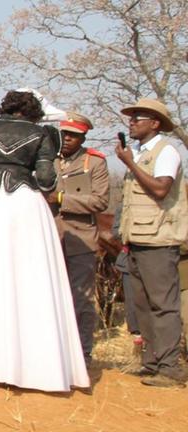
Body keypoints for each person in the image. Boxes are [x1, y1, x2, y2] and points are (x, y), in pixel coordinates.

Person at [0, 90, 89, 393]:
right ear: (33, 110)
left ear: (5, 108)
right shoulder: (42, 133)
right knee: (31, 279)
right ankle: (37, 367)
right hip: (24, 202)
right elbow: (48, 180)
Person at [115, 99, 187, 387]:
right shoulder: (141, 152)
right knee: (142, 305)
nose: (131, 122)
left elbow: (160, 189)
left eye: (138, 117)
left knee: (163, 305)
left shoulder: (166, 151)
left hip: (158, 240)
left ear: (155, 123)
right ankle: (152, 362)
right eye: (131, 117)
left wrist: (129, 162)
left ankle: (169, 367)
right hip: (137, 239)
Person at [45, 112, 109, 365]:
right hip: (49, 235)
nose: (67, 139)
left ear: (83, 137)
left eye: (73, 135)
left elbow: (100, 201)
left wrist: (61, 199)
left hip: (80, 239)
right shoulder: (48, 158)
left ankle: (82, 352)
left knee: (80, 296)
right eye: (64, 134)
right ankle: (54, 348)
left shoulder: (94, 163)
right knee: (50, 294)